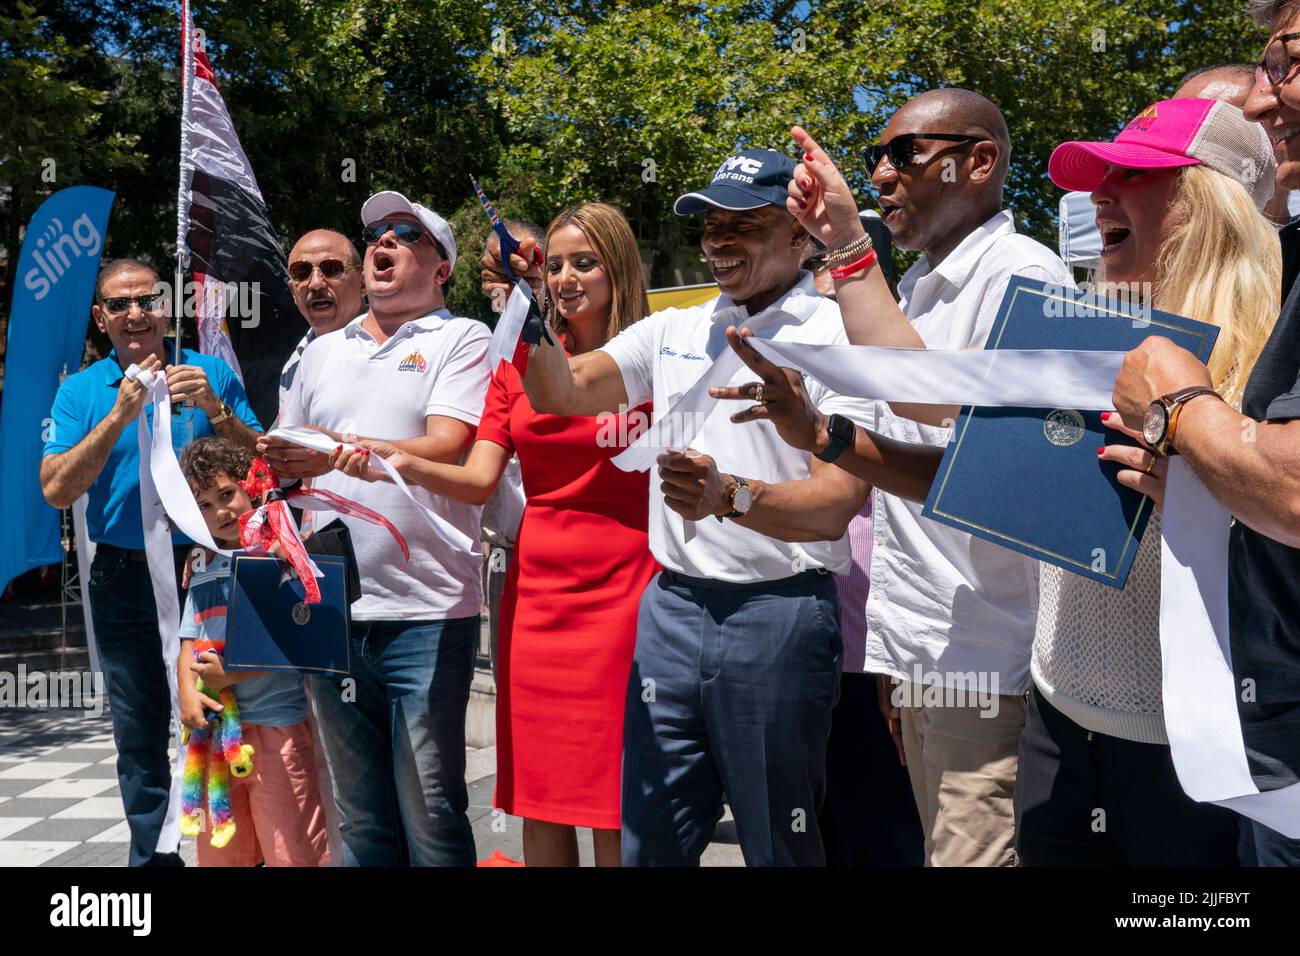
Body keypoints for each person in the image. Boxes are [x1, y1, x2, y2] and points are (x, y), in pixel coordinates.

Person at [513, 150, 871, 866]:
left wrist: (727, 498)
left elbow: (835, 505)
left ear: (800, 236)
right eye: (710, 223)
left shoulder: (840, 336)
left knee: (781, 843)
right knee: (651, 844)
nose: (718, 240)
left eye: (744, 223)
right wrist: (527, 312)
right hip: (670, 611)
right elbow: (564, 392)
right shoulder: (677, 328)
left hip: (779, 616)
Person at [740, 92, 1072, 866]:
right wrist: (899, 660)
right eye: (875, 160)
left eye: (905, 155)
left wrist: (849, 247)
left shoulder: (1026, 275)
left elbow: (972, 446)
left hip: (992, 663)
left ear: (980, 161)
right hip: (927, 653)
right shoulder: (922, 285)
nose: (882, 175)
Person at [333, 202, 657, 866]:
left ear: (618, 267)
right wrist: (400, 463)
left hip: (635, 594)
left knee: (615, 799)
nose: (566, 278)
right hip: (538, 601)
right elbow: (480, 479)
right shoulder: (517, 363)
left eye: (584, 263)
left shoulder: (655, 354)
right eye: (557, 265)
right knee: (542, 797)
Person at [1013, 97, 1278, 865]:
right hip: (1056, 722)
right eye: (1099, 175)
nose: (1098, 194)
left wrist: (1208, 499)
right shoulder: (1079, 338)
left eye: (1131, 175)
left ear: (1206, 207)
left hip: (1200, 757)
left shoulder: (1272, 369)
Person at [1106, 1, 1300, 866]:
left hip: (1207, 740)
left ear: (1209, 200)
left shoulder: (1196, 346)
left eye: (1286, 59)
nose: (1265, 97)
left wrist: (1183, 408)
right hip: (1242, 747)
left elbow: (1290, 490)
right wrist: (1205, 482)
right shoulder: (1124, 326)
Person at [259, 190, 492, 866]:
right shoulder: (322, 352)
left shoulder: (461, 337)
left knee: (431, 813)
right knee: (361, 817)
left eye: (404, 235)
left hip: (426, 609)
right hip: (328, 606)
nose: (382, 243)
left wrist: (339, 452)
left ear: (442, 267)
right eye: (377, 235)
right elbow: (282, 453)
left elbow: (447, 445)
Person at [39, 256, 261, 866]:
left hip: (209, 567)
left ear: (165, 305)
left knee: (223, 713)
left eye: (146, 300)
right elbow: (56, 487)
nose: (135, 313)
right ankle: (154, 863)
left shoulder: (209, 371)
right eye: (120, 304)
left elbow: (263, 465)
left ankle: (242, 852)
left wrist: (216, 409)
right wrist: (118, 416)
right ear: (100, 316)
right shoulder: (81, 390)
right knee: (139, 732)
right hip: (123, 575)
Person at [175, 437, 331, 867]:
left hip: (276, 727)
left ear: (250, 487)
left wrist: (231, 676)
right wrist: (187, 693)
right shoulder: (203, 563)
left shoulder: (278, 554)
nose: (220, 512)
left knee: (292, 847)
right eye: (203, 506)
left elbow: (295, 642)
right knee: (225, 851)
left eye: (226, 495)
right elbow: (188, 639)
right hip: (214, 737)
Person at [278, 229, 367, 415]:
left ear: (363, 283)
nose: (315, 283)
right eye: (301, 273)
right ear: (293, 292)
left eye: (332, 269)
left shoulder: (396, 344)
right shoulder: (294, 364)